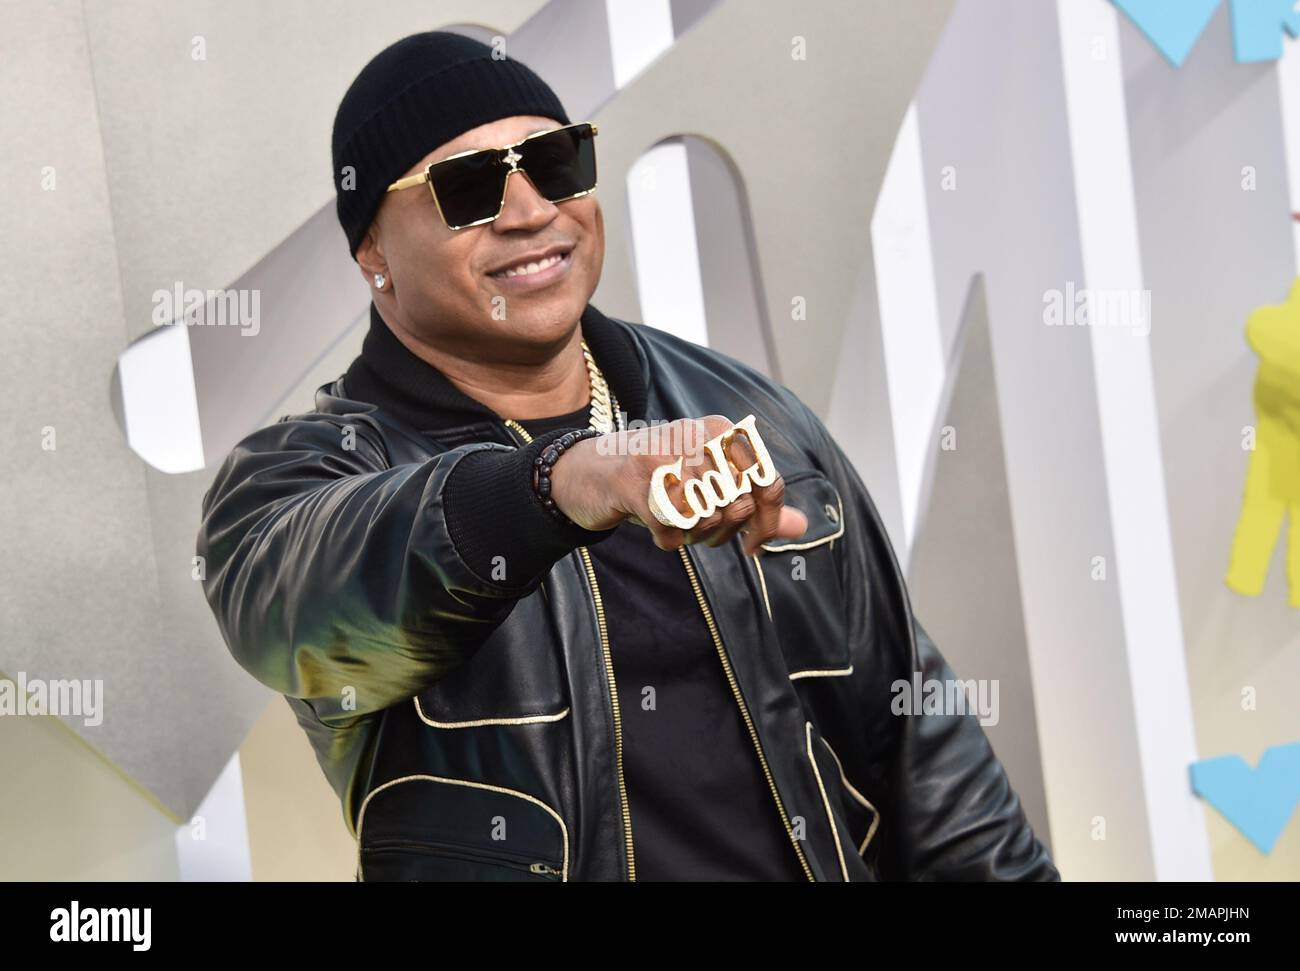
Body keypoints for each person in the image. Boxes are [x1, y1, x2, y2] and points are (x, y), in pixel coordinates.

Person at [195, 30, 1058, 882]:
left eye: (557, 162)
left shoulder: (746, 410)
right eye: (468, 187)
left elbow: (922, 749)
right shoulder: (303, 480)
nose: (532, 210)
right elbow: (303, 612)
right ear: (373, 250)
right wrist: (564, 479)